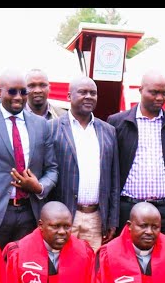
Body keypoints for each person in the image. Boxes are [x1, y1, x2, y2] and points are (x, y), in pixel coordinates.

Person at [0, 69, 57, 248]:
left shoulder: (41, 125)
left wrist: (39, 187)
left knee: (25, 269)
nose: (18, 97)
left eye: (23, 92)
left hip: (30, 212)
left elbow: (52, 169)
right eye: (12, 91)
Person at [109, 71, 165, 240]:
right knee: (127, 261)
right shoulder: (118, 122)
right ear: (140, 90)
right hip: (128, 208)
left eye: (164, 93)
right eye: (154, 92)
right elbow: (110, 168)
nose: (159, 98)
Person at [49, 75, 119, 251]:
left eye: (93, 93)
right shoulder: (52, 128)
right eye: (82, 92)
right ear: (69, 96)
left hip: (96, 217)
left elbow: (114, 178)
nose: (89, 96)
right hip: (62, 217)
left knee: (90, 271)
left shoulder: (109, 131)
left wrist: (112, 220)